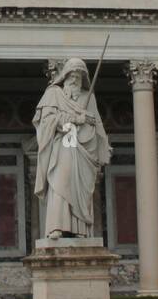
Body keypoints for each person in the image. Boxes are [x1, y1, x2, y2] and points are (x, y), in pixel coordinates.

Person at [34, 58, 112, 238]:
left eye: (79, 76)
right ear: (65, 75)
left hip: (83, 147)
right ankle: (56, 227)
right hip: (63, 146)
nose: (75, 79)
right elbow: (47, 121)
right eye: (72, 75)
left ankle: (80, 229)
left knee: (81, 189)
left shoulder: (88, 96)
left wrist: (103, 145)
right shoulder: (53, 94)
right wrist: (76, 118)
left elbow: (97, 122)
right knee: (60, 181)